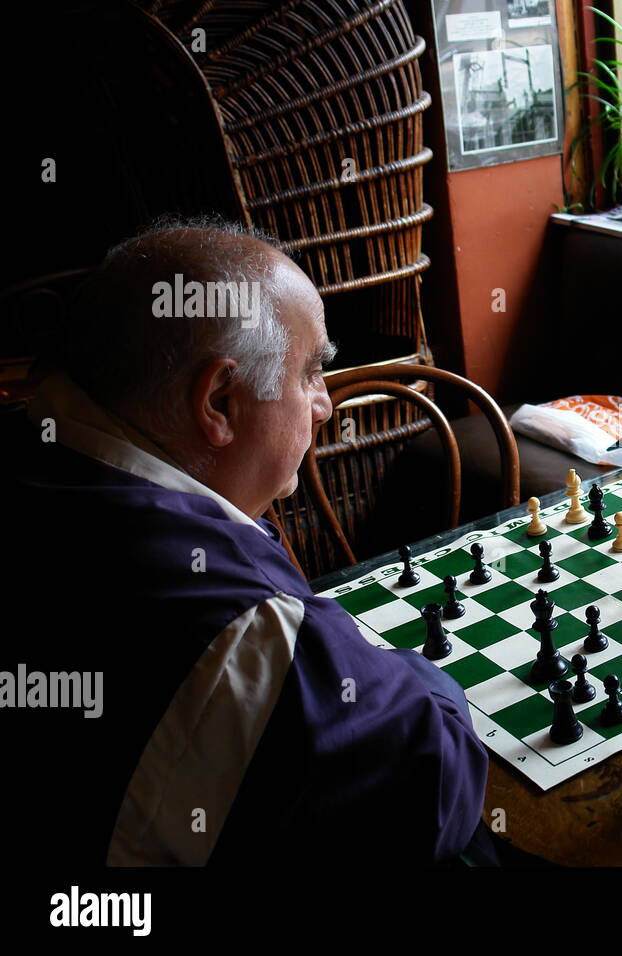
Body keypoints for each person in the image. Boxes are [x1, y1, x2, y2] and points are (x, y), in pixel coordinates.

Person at [0, 221, 489, 866]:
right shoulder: (247, 624)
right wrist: (420, 674)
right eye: (312, 371)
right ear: (222, 401)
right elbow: (439, 782)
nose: (325, 406)